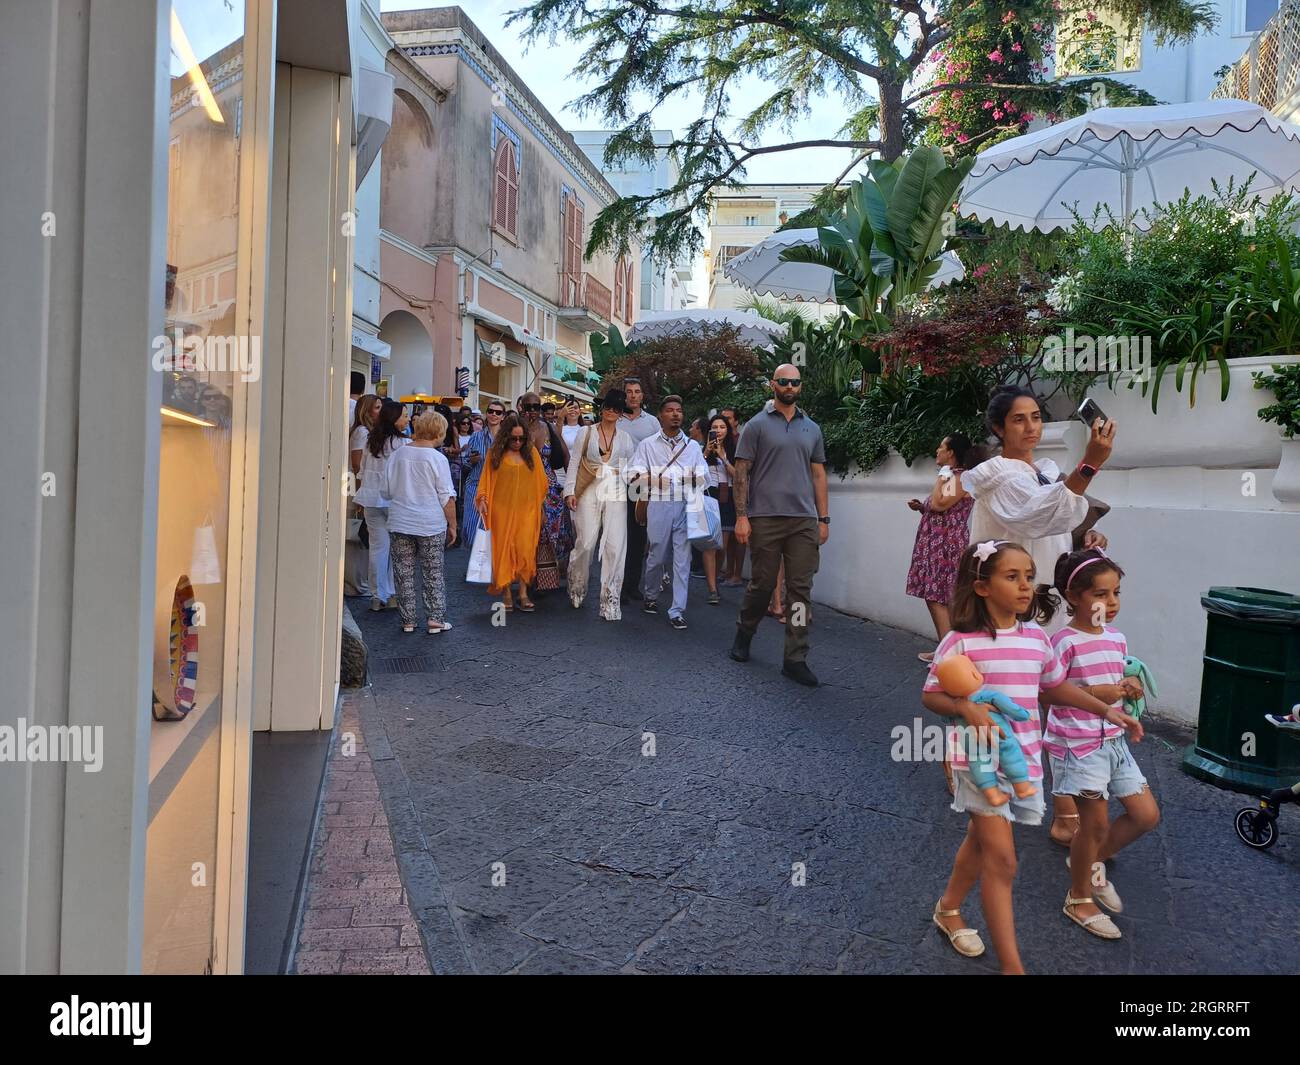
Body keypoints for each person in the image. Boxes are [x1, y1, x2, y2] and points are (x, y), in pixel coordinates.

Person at [920, 540, 1137, 973]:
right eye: (1012, 577)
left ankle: (948, 909)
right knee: (1003, 859)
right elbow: (931, 695)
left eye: (1029, 575)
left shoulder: (1036, 638)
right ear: (982, 587)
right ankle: (1013, 967)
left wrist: (1106, 709)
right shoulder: (959, 642)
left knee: (980, 843)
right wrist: (963, 706)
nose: (1025, 586)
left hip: (1024, 761)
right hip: (976, 764)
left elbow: (1054, 688)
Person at [963, 384, 1116, 847]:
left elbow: (1056, 522)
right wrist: (1090, 463)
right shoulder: (996, 475)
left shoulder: (1044, 470)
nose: (1030, 427)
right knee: (1027, 695)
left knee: (1044, 694)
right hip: (1011, 598)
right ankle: (1035, 797)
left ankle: (1058, 803)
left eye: (1035, 417)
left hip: (1043, 594)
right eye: (1018, 419)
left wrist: (1083, 538)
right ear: (997, 427)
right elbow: (1033, 518)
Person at [1046, 547, 1156, 940]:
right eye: (1101, 594)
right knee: (1093, 823)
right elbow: (1049, 693)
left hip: (1113, 741)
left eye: (1116, 593)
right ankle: (1079, 897)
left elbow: (1120, 681)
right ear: (1074, 596)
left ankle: (1090, 862)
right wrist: (1100, 692)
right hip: (1077, 746)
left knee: (1145, 815)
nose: (1111, 604)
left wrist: (1131, 687)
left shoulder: (1116, 637)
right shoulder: (1063, 642)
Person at [728, 365, 829, 687]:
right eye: (783, 381)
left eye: (795, 382)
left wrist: (823, 519)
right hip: (765, 518)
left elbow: (818, 475)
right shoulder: (756, 426)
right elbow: (741, 473)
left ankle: (795, 658)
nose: (789, 386)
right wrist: (741, 516)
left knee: (800, 590)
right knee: (762, 583)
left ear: (800, 386)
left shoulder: (811, 428)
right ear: (773, 385)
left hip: (803, 520)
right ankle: (745, 632)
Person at [627, 395, 709, 629]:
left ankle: (677, 610)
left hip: (685, 504)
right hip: (659, 502)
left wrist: (692, 478)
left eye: (679, 410)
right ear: (661, 416)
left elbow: (705, 477)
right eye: (670, 410)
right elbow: (631, 473)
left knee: (683, 559)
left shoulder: (693, 447)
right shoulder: (648, 444)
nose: (676, 414)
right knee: (657, 555)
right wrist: (649, 478)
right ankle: (651, 595)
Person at [906, 433, 982, 663]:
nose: (937, 451)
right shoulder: (953, 477)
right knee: (939, 596)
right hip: (938, 541)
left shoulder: (957, 477)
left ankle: (948, 655)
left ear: (951, 453)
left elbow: (940, 504)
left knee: (937, 596)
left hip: (946, 544)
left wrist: (942, 474)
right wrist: (922, 507)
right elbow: (941, 506)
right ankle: (946, 649)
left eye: (941, 447)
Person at [564, 389, 636, 620]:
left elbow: (630, 469)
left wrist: (638, 487)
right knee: (586, 542)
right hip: (590, 487)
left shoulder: (625, 439)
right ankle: (576, 585)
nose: (611, 412)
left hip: (615, 489)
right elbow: (574, 462)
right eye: (608, 407)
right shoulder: (586, 432)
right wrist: (569, 492)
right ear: (601, 408)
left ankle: (610, 600)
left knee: (616, 546)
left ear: (621, 413)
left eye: (616, 409)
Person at [386, 410, 458, 634]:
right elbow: (446, 497)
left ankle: (408, 620)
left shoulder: (397, 454)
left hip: (400, 519)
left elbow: (387, 489)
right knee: (433, 571)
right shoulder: (437, 458)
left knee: (403, 572)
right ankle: (435, 618)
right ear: (438, 432)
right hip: (430, 522)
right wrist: (453, 525)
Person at [474, 413, 550, 612]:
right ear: (505, 436)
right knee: (504, 552)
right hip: (501, 512)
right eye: (514, 438)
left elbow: (541, 485)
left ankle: (523, 593)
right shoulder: (494, 454)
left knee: (525, 551)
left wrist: (541, 510)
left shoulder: (532, 454)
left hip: (528, 511)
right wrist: (482, 500)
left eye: (522, 438)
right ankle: (507, 593)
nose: (518, 442)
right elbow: (485, 482)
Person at [354, 399, 408, 611]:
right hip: (395, 500)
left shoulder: (370, 440)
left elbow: (361, 470)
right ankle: (393, 593)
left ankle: (377, 596)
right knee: (398, 549)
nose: (406, 419)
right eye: (403, 415)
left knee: (377, 549)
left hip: (370, 498)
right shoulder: (403, 444)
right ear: (394, 418)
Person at [519, 391, 573, 590]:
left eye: (537, 407)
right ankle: (526, 577)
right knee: (526, 534)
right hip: (522, 487)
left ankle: (543, 579)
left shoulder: (549, 428)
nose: (533, 411)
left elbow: (566, 456)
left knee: (548, 533)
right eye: (529, 407)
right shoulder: (516, 429)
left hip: (548, 487)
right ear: (522, 408)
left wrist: (570, 486)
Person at [701, 413, 737, 605]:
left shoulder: (733, 450)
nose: (718, 431)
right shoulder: (702, 450)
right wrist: (707, 451)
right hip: (710, 496)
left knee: (722, 544)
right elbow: (696, 471)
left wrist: (723, 457)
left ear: (728, 430)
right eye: (714, 427)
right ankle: (712, 588)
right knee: (710, 544)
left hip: (728, 496)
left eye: (722, 427)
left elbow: (738, 475)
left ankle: (716, 578)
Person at [461, 400, 504, 547]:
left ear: (503, 416)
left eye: (498, 412)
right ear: (487, 413)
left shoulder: (506, 439)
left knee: (496, 529)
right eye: (491, 411)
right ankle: (475, 567)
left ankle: (492, 567)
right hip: (476, 486)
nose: (494, 415)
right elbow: (465, 463)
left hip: (499, 489)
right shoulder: (476, 436)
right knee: (473, 529)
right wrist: (472, 460)